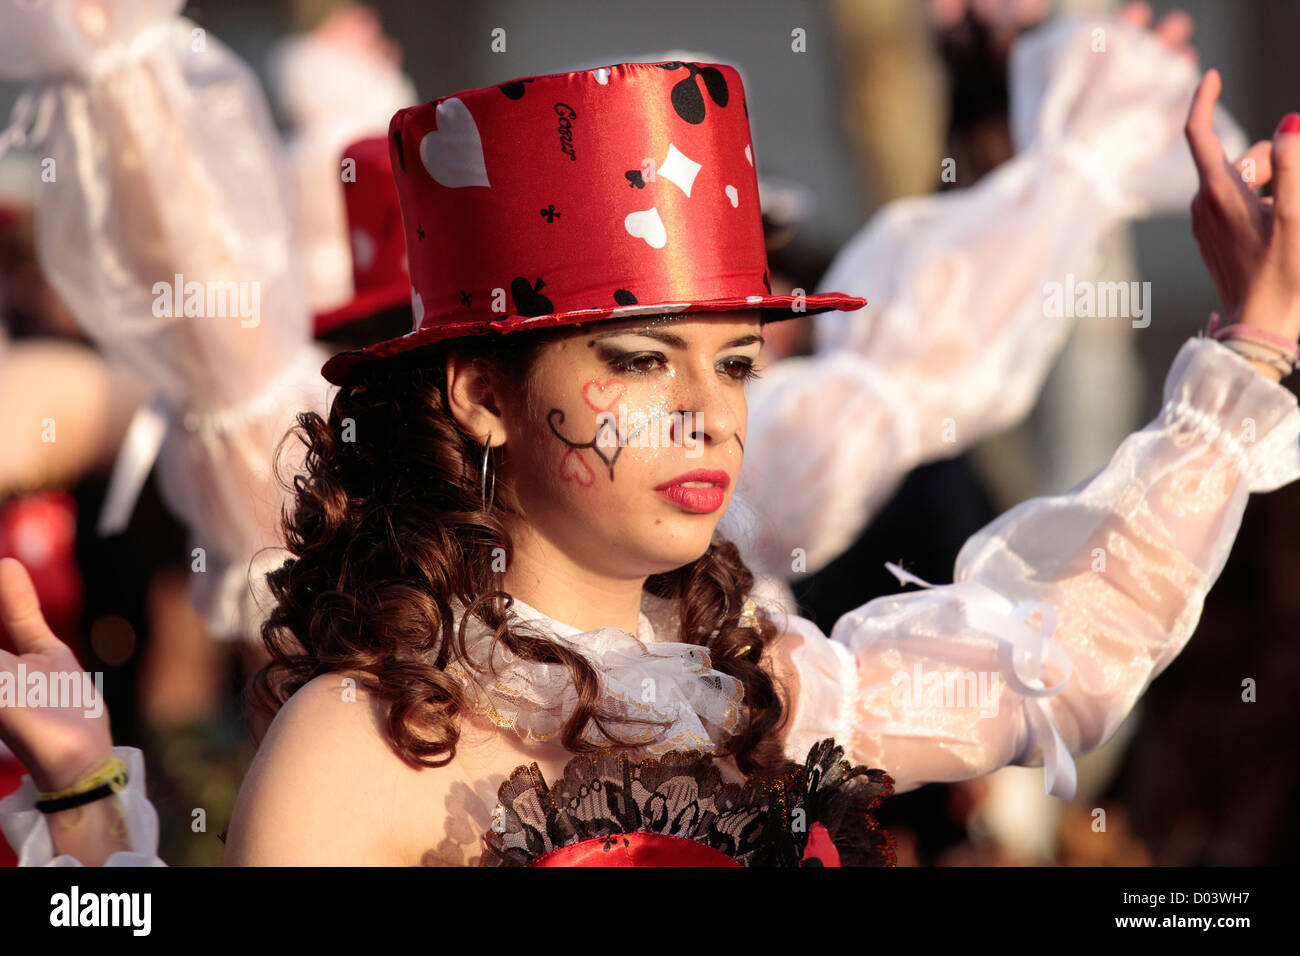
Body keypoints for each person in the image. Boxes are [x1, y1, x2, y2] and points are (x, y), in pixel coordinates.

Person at [3, 47, 1299, 866]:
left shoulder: (779, 691)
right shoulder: (366, 741)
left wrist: (1251, 353)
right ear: (484, 396)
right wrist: (81, 799)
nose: (709, 413)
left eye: (735, 364)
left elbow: (1055, 647)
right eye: (639, 359)